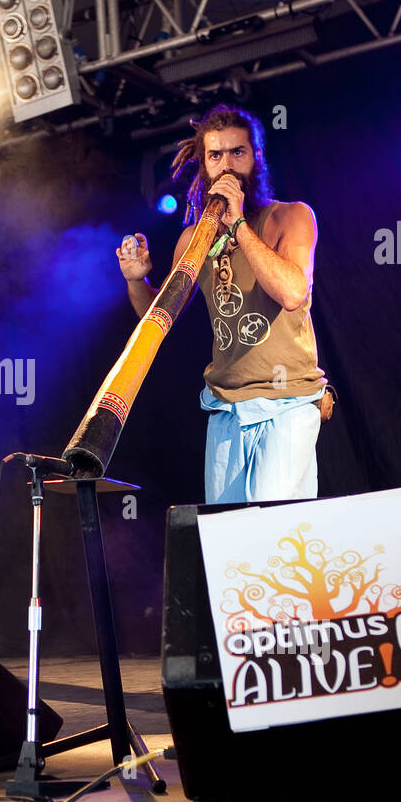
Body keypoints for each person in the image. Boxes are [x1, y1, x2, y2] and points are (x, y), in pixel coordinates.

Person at [118, 104, 329, 503]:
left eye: (238, 152)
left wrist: (238, 227)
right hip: (225, 406)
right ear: (204, 165)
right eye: (216, 155)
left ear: (257, 158)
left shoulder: (291, 217)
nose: (227, 165)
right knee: (230, 538)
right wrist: (136, 280)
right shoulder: (194, 240)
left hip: (287, 402)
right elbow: (159, 320)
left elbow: (291, 292)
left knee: (277, 530)